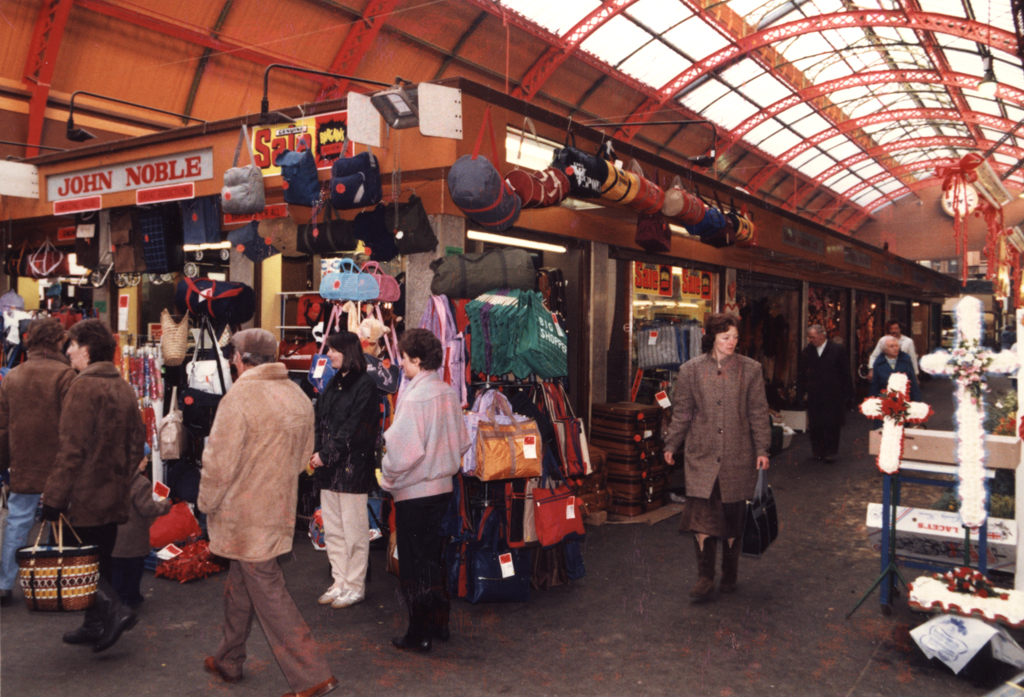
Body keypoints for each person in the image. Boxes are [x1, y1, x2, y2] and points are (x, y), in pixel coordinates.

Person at [199, 329, 337, 697]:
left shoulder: (240, 396)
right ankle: (229, 659)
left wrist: (205, 503)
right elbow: (303, 456)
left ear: (243, 357)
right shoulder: (296, 394)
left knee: (269, 591)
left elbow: (218, 463)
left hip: (243, 513)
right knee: (240, 586)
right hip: (277, 507)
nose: (231, 361)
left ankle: (312, 675)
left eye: (233, 355)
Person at [41, 319, 146, 652]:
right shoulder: (123, 385)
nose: (68, 351)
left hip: (85, 494)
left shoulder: (82, 387)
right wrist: (120, 477)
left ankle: (114, 611)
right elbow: (137, 441)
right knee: (101, 558)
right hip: (113, 492)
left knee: (81, 561)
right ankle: (94, 622)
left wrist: (54, 497)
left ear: (85, 349)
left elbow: (71, 450)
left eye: (72, 345)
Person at [662, 314, 770, 601]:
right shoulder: (691, 370)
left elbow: (758, 412)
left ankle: (730, 573)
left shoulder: (751, 369)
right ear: (712, 338)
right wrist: (671, 444)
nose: (731, 342)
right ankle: (705, 577)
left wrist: (762, 449)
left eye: (735, 337)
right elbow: (683, 411)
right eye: (725, 337)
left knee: (733, 518)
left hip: (738, 456)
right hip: (703, 456)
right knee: (702, 519)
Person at [381, 328, 470, 652]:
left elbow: (402, 454)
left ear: (416, 360)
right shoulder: (447, 392)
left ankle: (419, 633)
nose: (401, 364)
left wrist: (386, 476)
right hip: (443, 490)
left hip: (415, 494)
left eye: (403, 358)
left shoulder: (415, 397)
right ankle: (440, 623)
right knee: (435, 560)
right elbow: (463, 442)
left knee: (415, 567)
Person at [0, 318, 76, 607]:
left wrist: (3, 463)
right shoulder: (66, 376)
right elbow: (72, 425)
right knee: (60, 519)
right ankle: (47, 578)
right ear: (58, 341)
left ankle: (4, 583)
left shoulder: (13, 376)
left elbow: (2, 428)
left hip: (24, 463)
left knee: (18, 521)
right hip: (59, 465)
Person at [309, 331, 380, 609]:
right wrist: (318, 454)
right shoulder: (333, 383)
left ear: (347, 351)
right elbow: (320, 421)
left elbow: (356, 429)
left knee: (355, 532)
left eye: (333, 350)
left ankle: (354, 585)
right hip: (328, 469)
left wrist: (325, 455)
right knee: (335, 531)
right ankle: (339, 581)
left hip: (352, 469)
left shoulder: (365, 385)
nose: (329, 355)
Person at [111, 449, 171, 607]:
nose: (146, 461)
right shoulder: (141, 483)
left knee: (117, 571)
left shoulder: (113, 478)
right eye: (144, 457)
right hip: (133, 539)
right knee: (134, 570)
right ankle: (131, 599)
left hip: (115, 536)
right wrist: (165, 504)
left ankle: (118, 600)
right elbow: (148, 509)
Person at [797, 324, 853, 462]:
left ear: (822, 336)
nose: (810, 340)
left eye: (813, 337)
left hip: (833, 395)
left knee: (832, 424)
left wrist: (848, 395)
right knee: (815, 425)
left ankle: (830, 452)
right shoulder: (807, 351)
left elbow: (846, 373)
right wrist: (799, 394)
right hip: (815, 395)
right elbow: (801, 375)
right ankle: (817, 452)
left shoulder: (837, 350)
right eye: (809, 337)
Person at [869, 335, 921, 407]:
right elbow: (875, 386)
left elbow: (913, 385)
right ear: (885, 349)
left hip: (904, 400)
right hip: (885, 400)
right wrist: (872, 403)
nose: (895, 348)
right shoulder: (878, 363)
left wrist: (917, 403)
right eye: (891, 346)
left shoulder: (906, 361)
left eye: (896, 346)